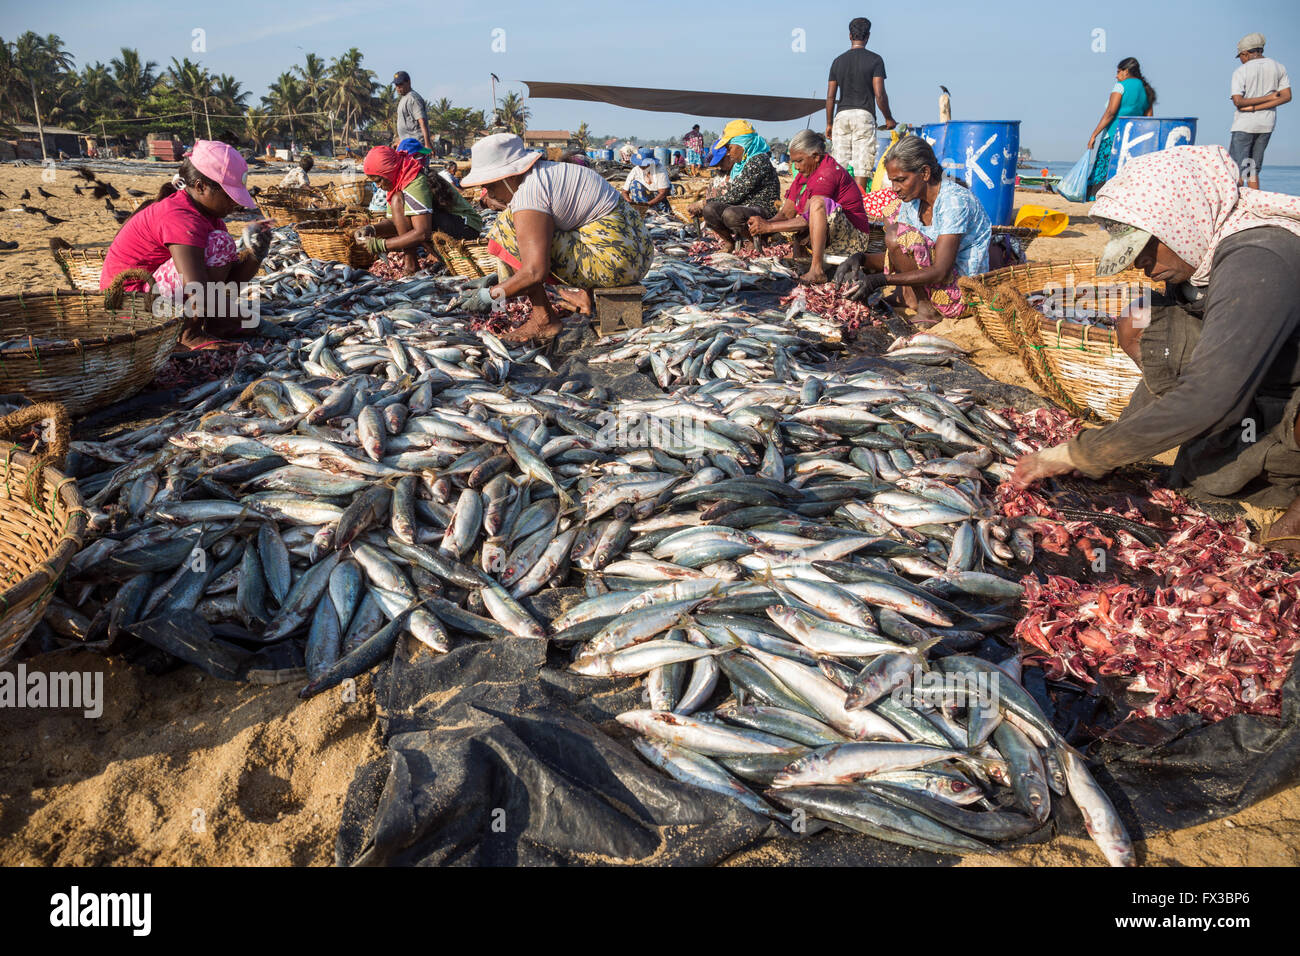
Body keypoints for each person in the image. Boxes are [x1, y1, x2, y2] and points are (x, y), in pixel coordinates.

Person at [1010, 146, 1300, 550]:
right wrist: (1115, 448)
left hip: (1283, 388)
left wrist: (1082, 454)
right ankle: (1224, 435)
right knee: (1141, 318)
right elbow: (1188, 361)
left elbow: (1210, 396)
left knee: (1220, 467)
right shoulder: (1202, 248)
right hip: (1265, 370)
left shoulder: (1258, 258)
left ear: (1180, 220)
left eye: (1147, 247)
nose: (1140, 264)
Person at [460, 133, 654, 343]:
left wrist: (490, 295)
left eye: (490, 185)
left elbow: (535, 272)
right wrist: (505, 279)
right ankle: (585, 294)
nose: (488, 193)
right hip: (638, 253)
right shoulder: (553, 173)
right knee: (541, 227)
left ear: (509, 176)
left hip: (616, 264)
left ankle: (543, 319)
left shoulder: (530, 191)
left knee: (505, 227)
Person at [99, 140, 272, 351]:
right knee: (220, 244)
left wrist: (256, 254)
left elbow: (228, 283)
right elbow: (198, 290)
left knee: (221, 244)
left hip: (154, 297)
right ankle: (188, 334)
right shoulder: (179, 216)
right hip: (129, 306)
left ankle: (211, 322)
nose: (235, 203)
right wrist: (252, 321)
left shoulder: (210, 217)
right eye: (229, 195)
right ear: (201, 186)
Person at [833, 136, 990, 328]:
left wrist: (880, 280)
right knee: (891, 213)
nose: (895, 188)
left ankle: (927, 309)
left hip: (960, 295)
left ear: (924, 173)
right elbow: (902, 252)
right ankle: (914, 298)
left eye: (901, 180)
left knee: (896, 233)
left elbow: (940, 271)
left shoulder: (953, 201)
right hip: (934, 281)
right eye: (892, 181)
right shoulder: (913, 202)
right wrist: (860, 258)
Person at [747, 129, 873, 283]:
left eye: (799, 161)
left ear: (815, 156)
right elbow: (786, 213)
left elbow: (807, 218)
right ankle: (809, 262)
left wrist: (769, 228)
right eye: (793, 161)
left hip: (853, 237)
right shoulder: (803, 175)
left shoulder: (827, 173)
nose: (796, 166)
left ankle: (817, 269)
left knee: (817, 202)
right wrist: (763, 225)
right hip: (831, 232)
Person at [358, 145, 482, 276]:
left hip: (466, 226)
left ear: (389, 171)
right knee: (397, 200)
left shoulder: (414, 180)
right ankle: (412, 262)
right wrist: (372, 229)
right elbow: (396, 222)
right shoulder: (398, 181)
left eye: (379, 180)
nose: (378, 186)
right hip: (445, 224)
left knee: (398, 200)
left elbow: (422, 233)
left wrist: (381, 245)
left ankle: (411, 263)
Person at [687, 121, 781, 253]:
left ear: (742, 144)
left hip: (762, 209)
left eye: (730, 148)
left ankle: (755, 240)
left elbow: (736, 195)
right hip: (744, 207)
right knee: (710, 210)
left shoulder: (758, 160)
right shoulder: (740, 164)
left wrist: (702, 203)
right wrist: (705, 205)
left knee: (730, 214)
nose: (729, 153)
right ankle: (729, 243)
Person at [826, 17, 896, 192]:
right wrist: (889, 119)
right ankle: (859, 205)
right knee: (861, 164)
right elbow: (879, 95)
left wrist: (829, 123)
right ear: (868, 37)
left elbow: (830, 97)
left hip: (841, 115)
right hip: (864, 115)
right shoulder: (875, 60)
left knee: (839, 164)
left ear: (850, 36)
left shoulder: (837, 61)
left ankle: (838, 204)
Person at [1086, 57, 1155, 199]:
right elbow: (1149, 117)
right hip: (1134, 139)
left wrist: (1094, 134)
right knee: (1124, 173)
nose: (1116, 76)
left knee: (1104, 171)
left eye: (1118, 72)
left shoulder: (1120, 86)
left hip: (1113, 136)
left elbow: (1110, 112)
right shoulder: (1146, 90)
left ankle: (1101, 200)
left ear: (1126, 71)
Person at [1229, 33, 1291, 191]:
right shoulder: (1278, 67)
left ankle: (1235, 207)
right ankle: (1255, 205)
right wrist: (1269, 98)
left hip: (1244, 124)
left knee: (1235, 169)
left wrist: (1252, 107)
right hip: (1267, 124)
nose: (1241, 60)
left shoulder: (1241, 71)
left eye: (1241, 56)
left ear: (1246, 53)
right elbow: (1286, 96)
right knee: (1253, 169)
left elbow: (1238, 101)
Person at [392, 71, 431, 151]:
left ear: (408, 82)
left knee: (417, 164)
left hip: (416, 145)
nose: (398, 87)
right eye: (396, 85)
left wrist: (427, 144)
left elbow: (422, 122)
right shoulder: (404, 99)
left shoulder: (413, 98)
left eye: (400, 84)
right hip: (406, 145)